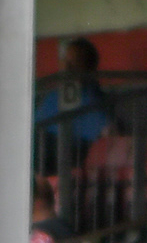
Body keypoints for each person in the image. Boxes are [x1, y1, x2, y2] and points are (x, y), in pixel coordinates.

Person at [37, 37, 111, 172]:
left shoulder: (97, 101)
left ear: (88, 67)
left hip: (79, 164)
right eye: (65, 61)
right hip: (46, 161)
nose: (67, 67)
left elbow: (105, 135)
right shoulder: (53, 97)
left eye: (74, 62)